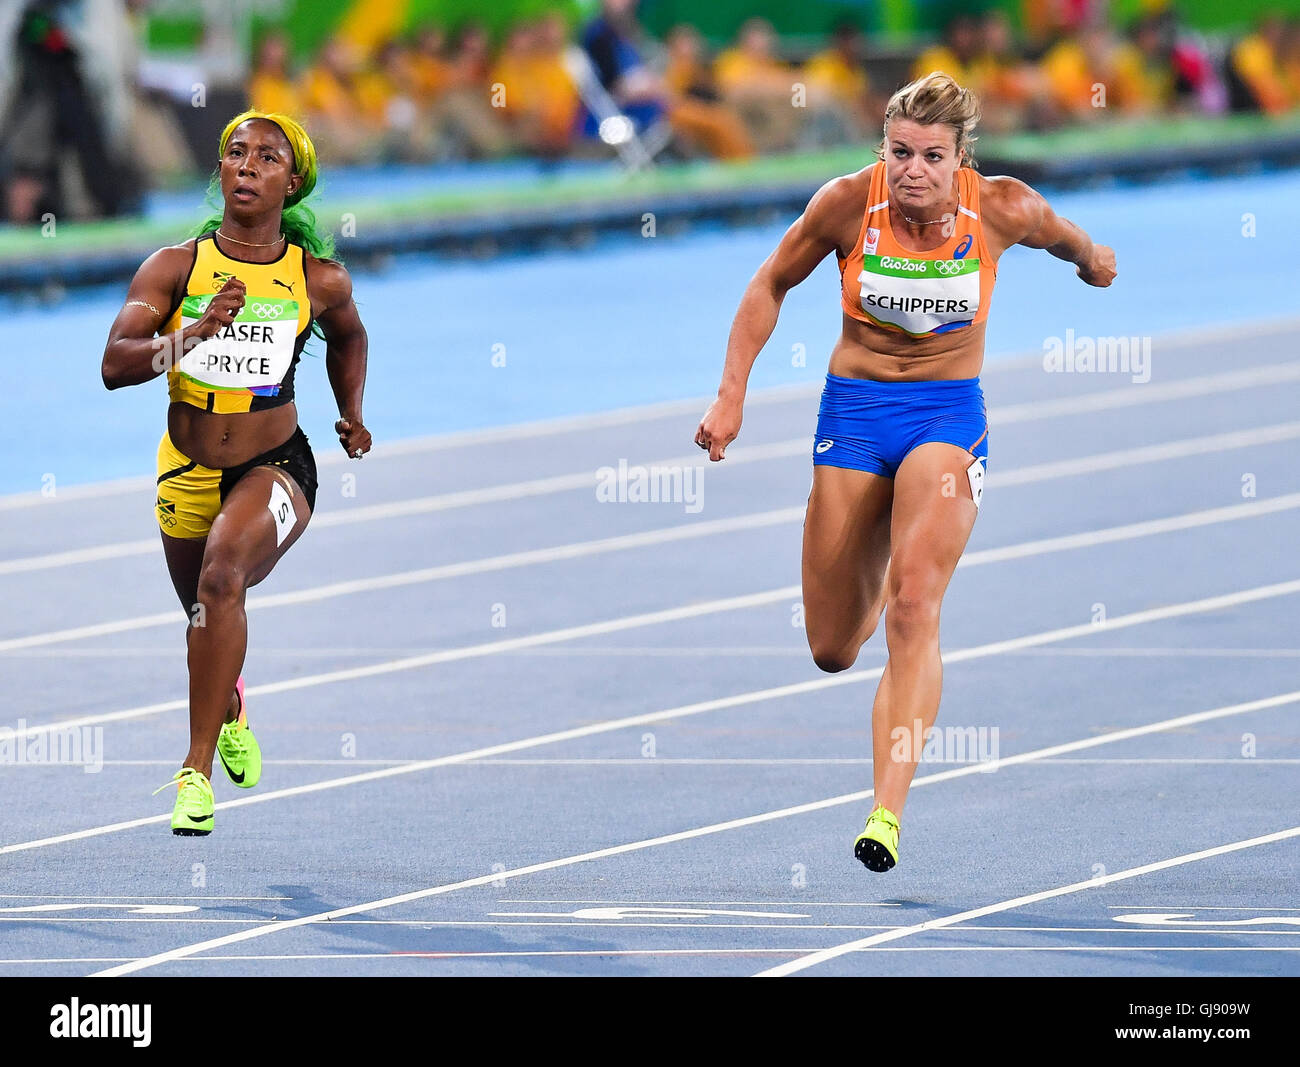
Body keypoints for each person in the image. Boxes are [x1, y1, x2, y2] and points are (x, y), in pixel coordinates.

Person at [694, 73, 1115, 872]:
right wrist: (730, 398)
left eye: (930, 155)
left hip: (944, 419)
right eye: (898, 152)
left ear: (961, 158)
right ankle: (879, 543)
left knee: (915, 606)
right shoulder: (849, 204)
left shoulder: (1002, 208)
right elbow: (770, 283)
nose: (912, 169)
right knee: (830, 648)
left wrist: (1093, 260)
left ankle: (885, 812)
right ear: (881, 148)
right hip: (853, 418)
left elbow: (1062, 234)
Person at [100, 110, 371, 835]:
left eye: (267, 157)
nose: (248, 165)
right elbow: (114, 365)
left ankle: (194, 772)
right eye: (235, 153)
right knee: (200, 616)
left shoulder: (318, 280)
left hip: (276, 464)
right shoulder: (174, 267)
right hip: (186, 466)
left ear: (293, 182)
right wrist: (190, 336)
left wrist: (353, 412)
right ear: (219, 173)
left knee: (223, 577)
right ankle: (227, 707)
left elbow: (350, 336)